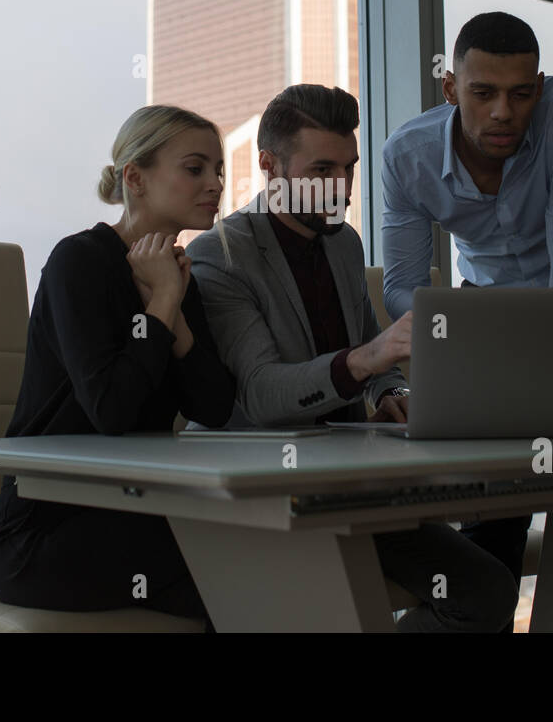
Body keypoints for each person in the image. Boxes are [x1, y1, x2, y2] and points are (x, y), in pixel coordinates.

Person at [187, 83, 517, 632]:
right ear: (269, 165)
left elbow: (370, 358)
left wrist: (390, 389)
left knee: (488, 590)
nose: (339, 188)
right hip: (260, 499)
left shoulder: (343, 243)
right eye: (321, 170)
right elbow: (264, 394)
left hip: (346, 490)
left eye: (349, 168)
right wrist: (369, 361)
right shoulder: (220, 255)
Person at [379, 11, 553, 622]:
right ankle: (480, 613)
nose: (502, 113)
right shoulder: (405, 157)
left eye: (519, 94)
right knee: (494, 497)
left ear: (537, 88)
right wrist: (465, 330)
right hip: (484, 309)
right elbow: (403, 290)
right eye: (482, 93)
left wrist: (546, 363)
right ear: (450, 89)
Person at [0, 105, 236, 627]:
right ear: (135, 178)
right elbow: (112, 411)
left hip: (133, 515)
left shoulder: (178, 272)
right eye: (195, 168)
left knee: (262, 573)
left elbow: (213, 405)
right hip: (44, 534)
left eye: (218, 171)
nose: (214, 183)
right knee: (245, 568)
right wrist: (163, 303)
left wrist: (177, 318)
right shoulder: (79, 262)